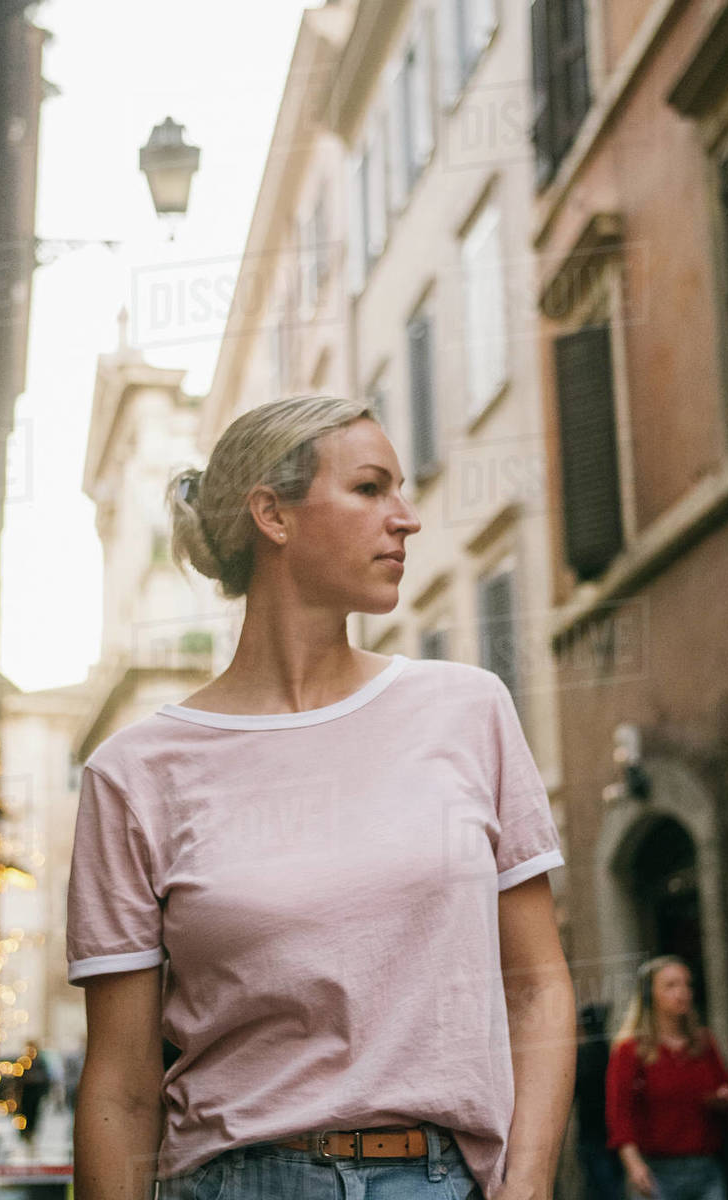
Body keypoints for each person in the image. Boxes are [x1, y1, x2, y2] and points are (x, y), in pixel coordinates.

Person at [65, 395, 577, 1200]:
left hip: (439, 1180)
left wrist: (531, 1182)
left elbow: (539, 985)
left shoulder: (469, 710)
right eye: (370, 488)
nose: (406, 518)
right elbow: (122, 1087)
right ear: (273, 515)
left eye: (400, 489)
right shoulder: (133, 774)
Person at [605, 955, 728, 1200]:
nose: (682, 992)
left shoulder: (702, 1043)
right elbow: (620, 1113)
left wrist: (724, 1098)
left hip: (706, 1167)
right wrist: (633, 1165)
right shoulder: (630, 1050)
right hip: (657, 1171)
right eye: (670, 985)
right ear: (650, 995)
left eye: (686, 984)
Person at [573, 1004, 623, 1199]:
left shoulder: (585, 1057)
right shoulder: (610, 1053)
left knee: (601, 1188)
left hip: (594, 1134)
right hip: (606, 1132)